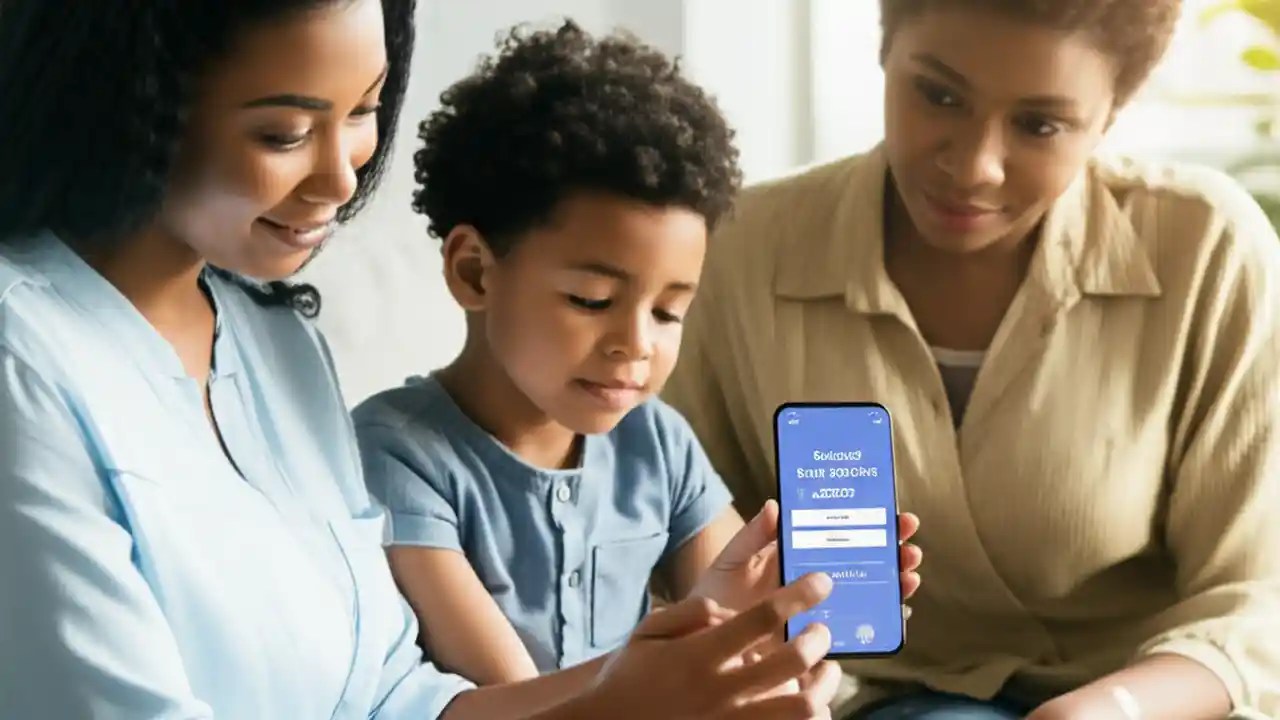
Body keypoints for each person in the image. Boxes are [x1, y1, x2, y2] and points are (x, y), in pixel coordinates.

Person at [0, 2, 872, 718]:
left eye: (365, 110)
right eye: (283, 133)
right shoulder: (26, 363)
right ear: (130, 104)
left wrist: (672, 675)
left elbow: (395, 697)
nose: (342, 179)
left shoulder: (273, 336)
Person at [662, 0, 1280, 718]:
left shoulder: (1207, 250)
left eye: (1039, 125)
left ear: (1112, 113)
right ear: (885, 49)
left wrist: (1108, 709)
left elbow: (1258, 596)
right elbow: (674, 537)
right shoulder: (739, 251)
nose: (974, 166)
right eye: (940, 95)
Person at [352, 19, 924, 690]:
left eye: (668, 310)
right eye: (593, 300)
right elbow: (514, 698)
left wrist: (770, 638)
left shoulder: (656, 442)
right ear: (476, 272)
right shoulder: (397, 453)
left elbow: (734, 619)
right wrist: (696, 660)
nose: (636, 345)